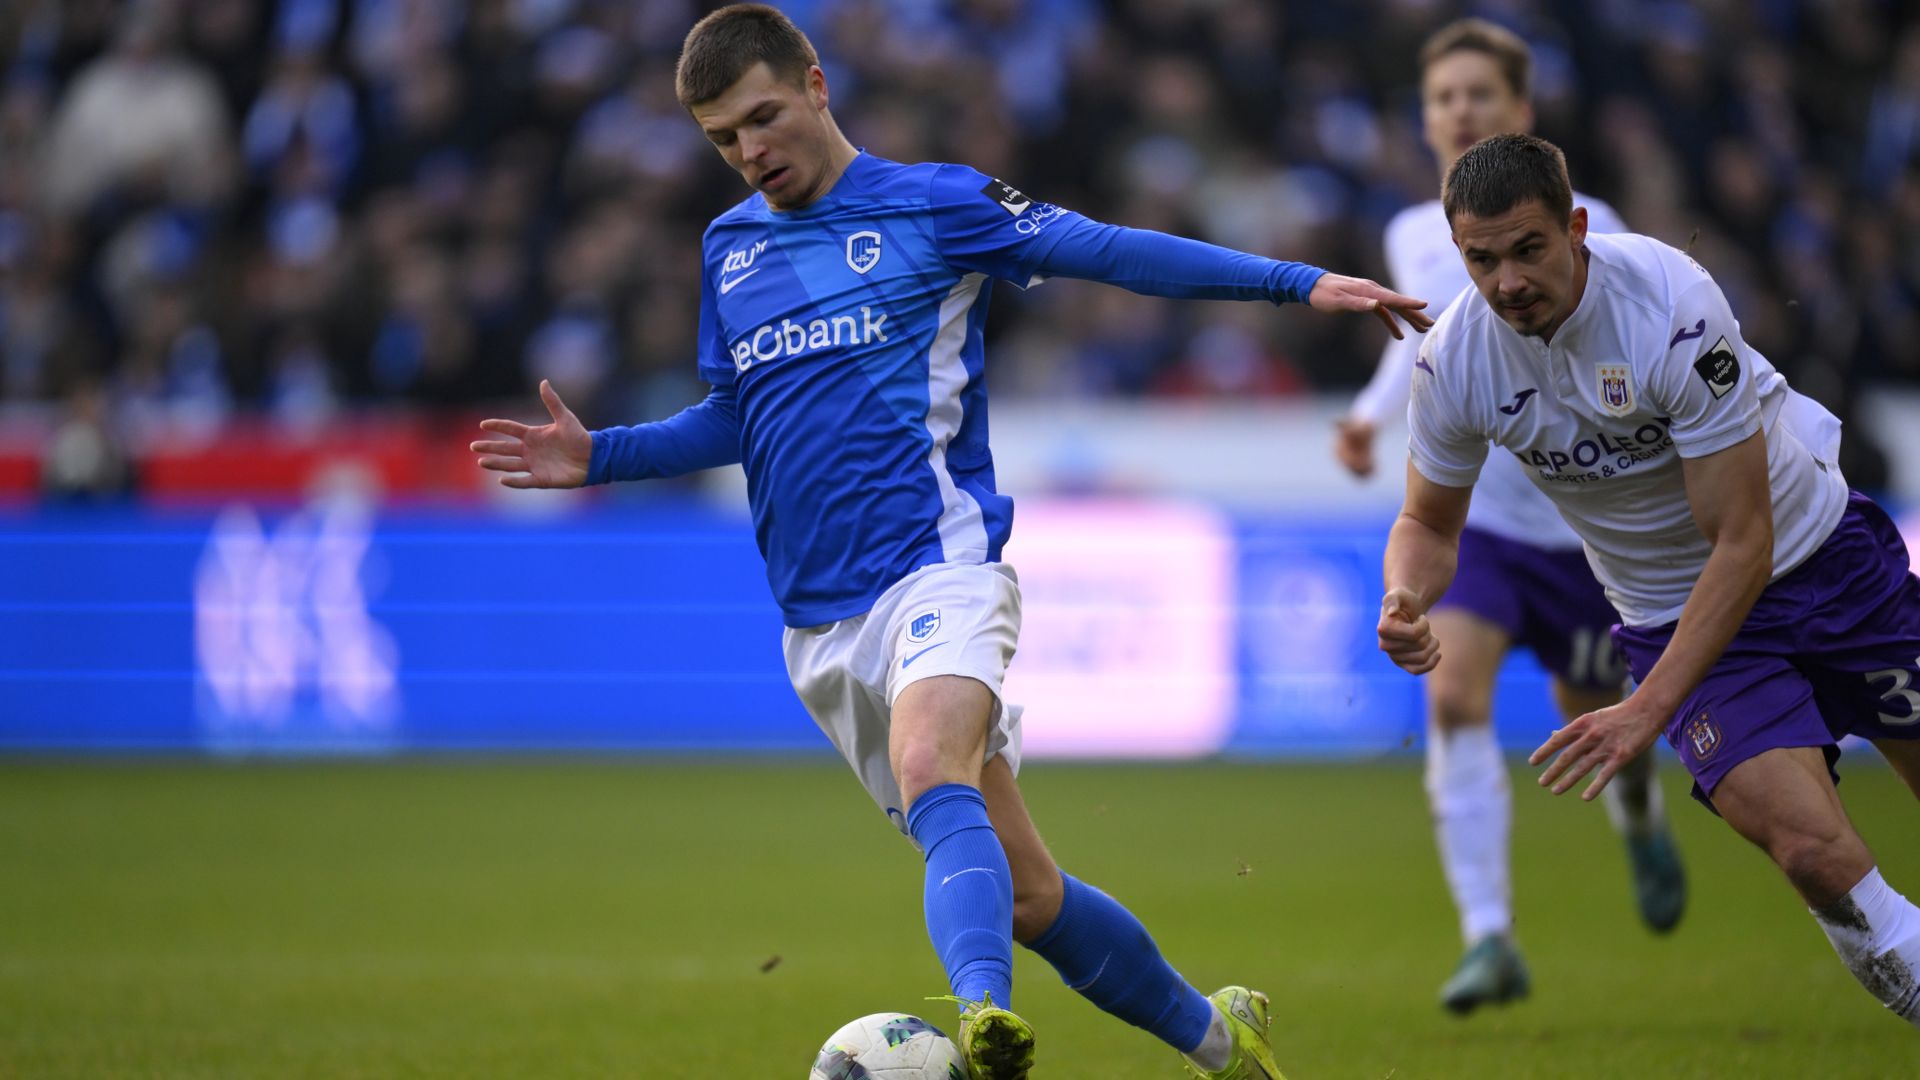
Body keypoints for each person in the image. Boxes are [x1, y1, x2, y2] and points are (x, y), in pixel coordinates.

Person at [470, 6, 1432, 1078]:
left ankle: (980, 1022)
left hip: (941, 566)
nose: (750, 153)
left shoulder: (935, 207)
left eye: (762, 118)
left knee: (935, 764)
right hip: (819, 629)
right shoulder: (730, 248)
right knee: (1028, 896)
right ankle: (1223, 1044)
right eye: (722, 139)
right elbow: (735, 417)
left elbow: (1104, 251)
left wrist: (1295, 283)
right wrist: (601, 455)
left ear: (817, 83)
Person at [1379, 132, 1920, 1029]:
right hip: (1678, 622)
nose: (1506, 281)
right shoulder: (1456, 359)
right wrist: (1405, 594)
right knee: (1815, 859)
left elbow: (1742, 541)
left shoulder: (1668, 301)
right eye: (1481, 259)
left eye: (1528, 250)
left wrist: (1645, 708)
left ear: (1577, 228)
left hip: (1823, 563)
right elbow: (1428, 524)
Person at [1332, 19, 1686, 1014]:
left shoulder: (1594, 219)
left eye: (1479, 95)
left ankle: (1640, 816)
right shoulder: (1414, 232)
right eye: (1443, 97)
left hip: (1587, 525)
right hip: (1481, 518)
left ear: (1522, 114)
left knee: (1595, 715)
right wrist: (1365, 420)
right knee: (1452, 696)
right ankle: (1490, 935)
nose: (1460, 111)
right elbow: (1422, 344)